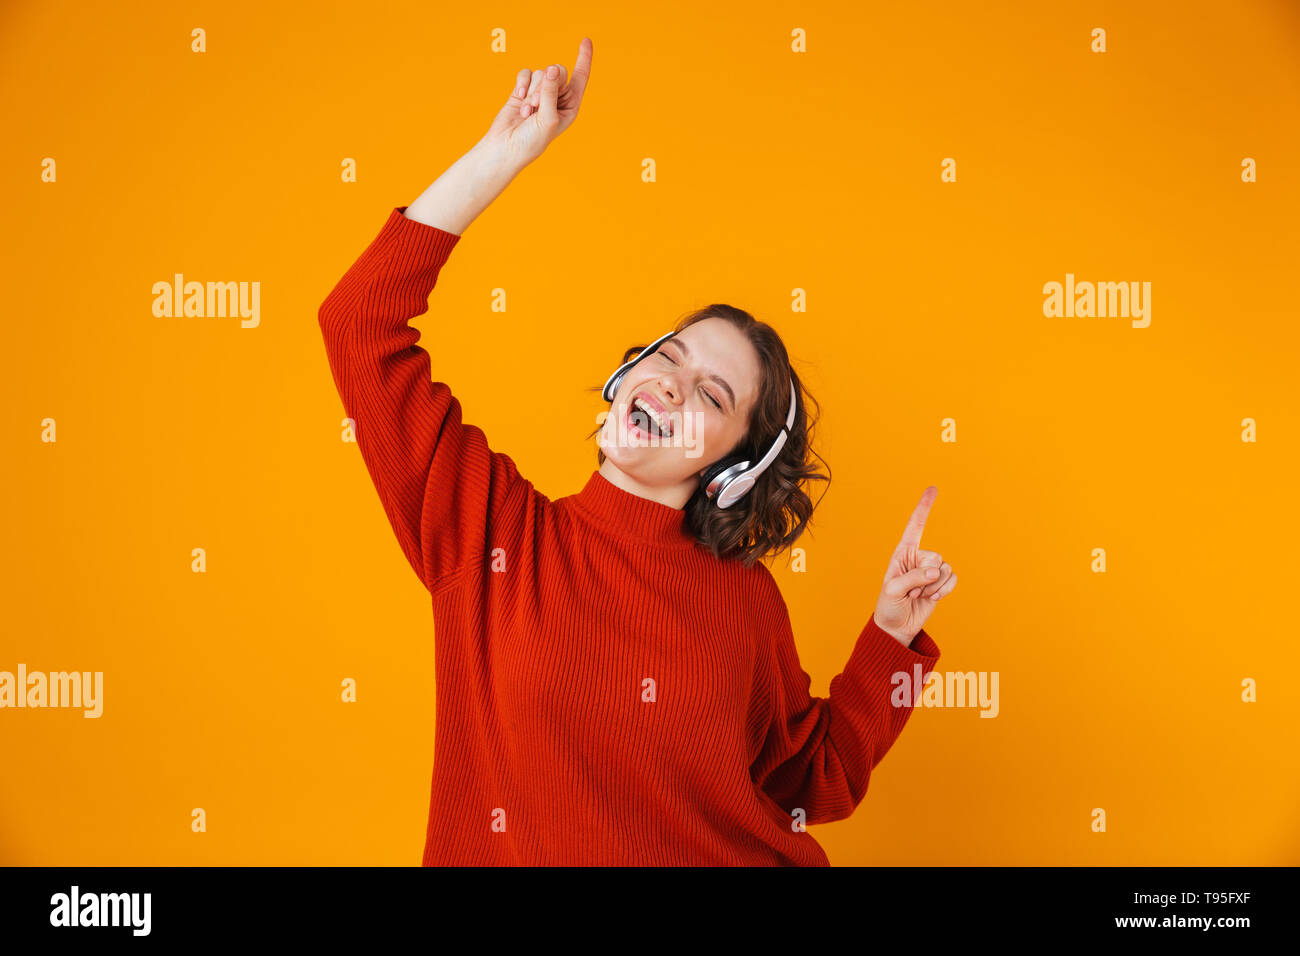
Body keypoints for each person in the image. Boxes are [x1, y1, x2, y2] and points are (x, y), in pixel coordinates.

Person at [317, 37, 957, 866]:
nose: (670, 385)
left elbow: (809, 783)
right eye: (669, 358)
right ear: (629, 373)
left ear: (732, 468)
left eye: (713, 396)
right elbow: (359, 324)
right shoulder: (493, 537)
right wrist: (502, 155)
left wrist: (890, 637)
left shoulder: (746, 603)